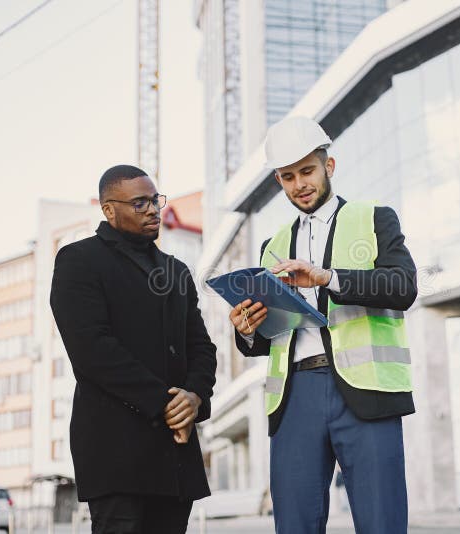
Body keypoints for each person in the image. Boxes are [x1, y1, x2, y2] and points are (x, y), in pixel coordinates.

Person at [229, 117, 417, 533]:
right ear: (279, 181)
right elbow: (267, 340)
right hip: (295, 396)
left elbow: (403, 287)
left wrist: (326, 277)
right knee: (294, 525)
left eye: (307, 171)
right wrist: (246, 328)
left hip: (366, 393)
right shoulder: (273, 246)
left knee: (382, 523)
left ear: (328, 166)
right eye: (288, 177)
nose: (299, 184)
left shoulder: (374, 219)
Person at [50, 165, 217, 534]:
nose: (153, 209)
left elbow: (201, 346)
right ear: (109, 210)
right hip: (117, 454)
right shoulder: (79, 260)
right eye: (140, 203)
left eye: (155, 200)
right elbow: (92, 351)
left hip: (175, 456)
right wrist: (167, 405)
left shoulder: (176, 271)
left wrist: (194, 397)